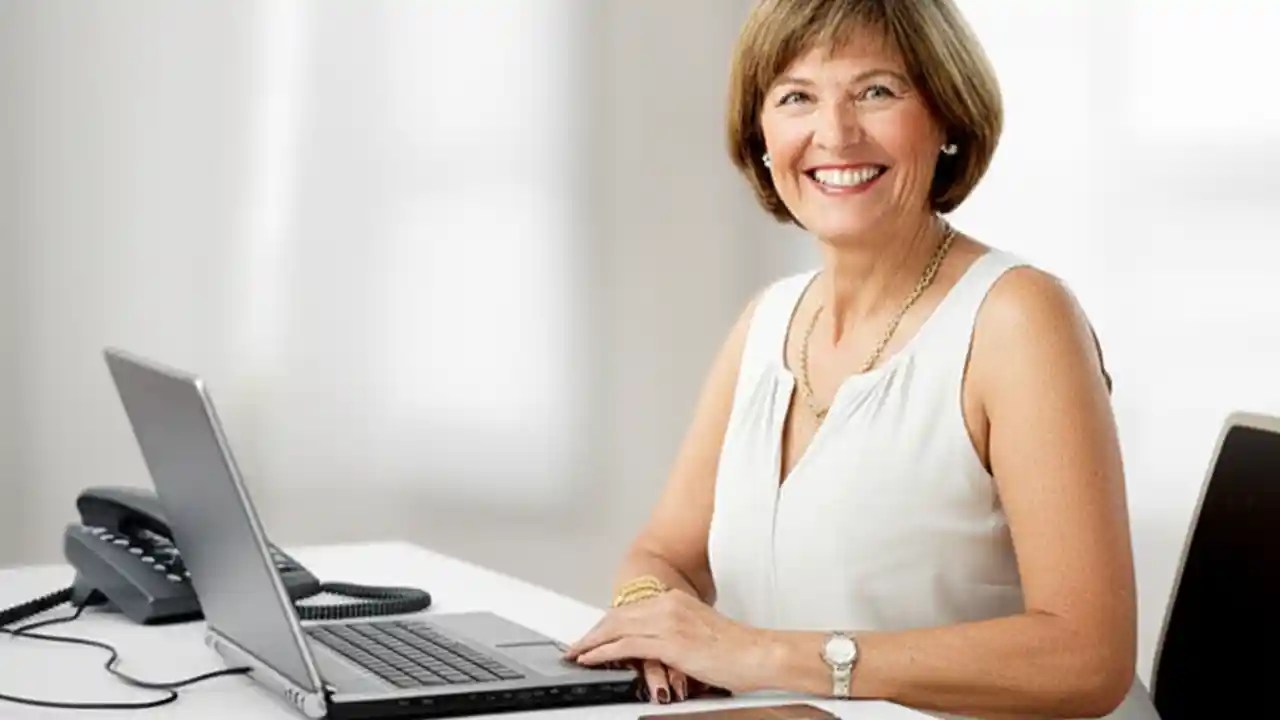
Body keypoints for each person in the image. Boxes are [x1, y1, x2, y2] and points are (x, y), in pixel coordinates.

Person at [563, 1, 1157, 718]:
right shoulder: (768, 323)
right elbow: (664, 554)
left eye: (876, 91)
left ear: (946, 117)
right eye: (796, 98)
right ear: (760, 137)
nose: (836, 133)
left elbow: (1087, 657)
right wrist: (650, 626)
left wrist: (759, 655)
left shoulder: (1018, 319)